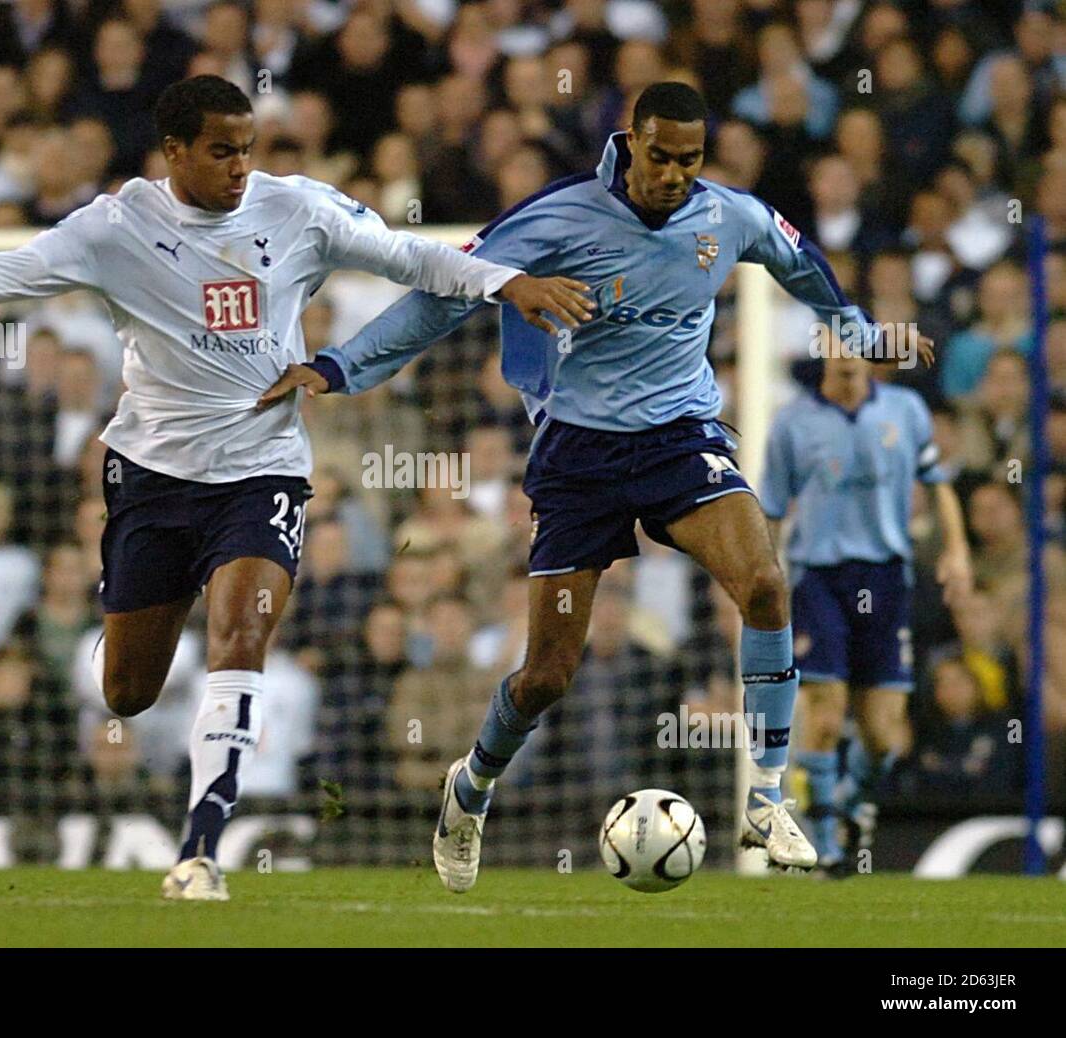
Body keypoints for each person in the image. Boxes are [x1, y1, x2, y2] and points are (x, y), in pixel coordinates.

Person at [0, 74, 592, 902]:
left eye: (247, 148)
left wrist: (505, 281)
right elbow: (19, 267)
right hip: (152, 479)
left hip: (260, 474)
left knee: (240, 639)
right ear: (175, 151)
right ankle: (139, 642)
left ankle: (199, 851)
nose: (238, 167)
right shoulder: (118, 226)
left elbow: (412, 256)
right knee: (128, 690)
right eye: (220, 150)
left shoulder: (295, 209)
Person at [260, 81, 936, 892]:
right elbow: (445, 294)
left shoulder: (729, 217)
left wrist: (860, 331)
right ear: (632, 140)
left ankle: (765, 797)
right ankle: (470, 788)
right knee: (548, 674)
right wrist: (341, 366)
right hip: (579, 455)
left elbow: (803, 264)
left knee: (763, 583)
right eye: (661, 157)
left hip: (679, 439)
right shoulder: (557, 216)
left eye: (691, 160)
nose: (675, 175)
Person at [762, 352, 972, 873]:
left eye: (859, 341)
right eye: (839, 340)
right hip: (819, 577)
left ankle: (854, 799)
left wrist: (957, 551)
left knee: (883, 736)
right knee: (826, 716)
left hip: (886, 580)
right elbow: (769, 508)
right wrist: (765, 580)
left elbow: (937, 481)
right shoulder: (792, 422)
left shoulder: (905, 409)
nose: (849, 353)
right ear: (826, 351)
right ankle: (825, 838)